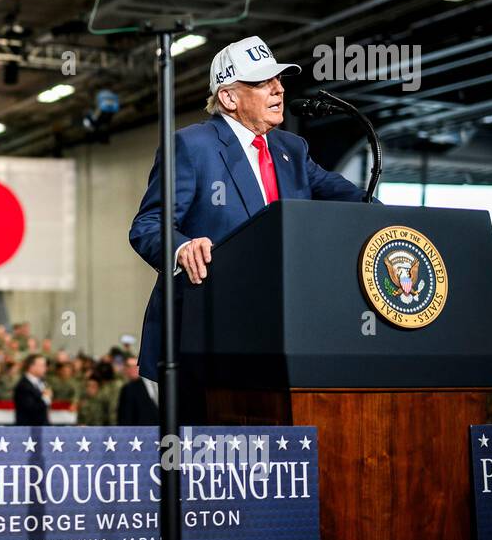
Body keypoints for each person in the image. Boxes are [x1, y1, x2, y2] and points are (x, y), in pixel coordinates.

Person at [129, 35, 368, 400]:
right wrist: (181, 249)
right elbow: (147, 225)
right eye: (262, 82)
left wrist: (388, 218)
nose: (278, 89)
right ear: (228, 97)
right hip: (202, 338)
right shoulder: (192, 146)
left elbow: (353, 198)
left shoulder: (293, 148)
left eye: (279, 80)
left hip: (277, 334)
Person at [116, 356, 158, 426]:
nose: (133, 369)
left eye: (136, 366)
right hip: (138, 432)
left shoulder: (156, 382)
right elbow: (125, 417)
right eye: (129, 366)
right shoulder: (128, 388)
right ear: (125, 369)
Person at [13, 354, 52, 426]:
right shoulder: (23, 386)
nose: (45, 368)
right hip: (29, 431)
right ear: (31, 366)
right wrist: (46, 398)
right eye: (42, 365)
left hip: (41, 429)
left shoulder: (42, 382)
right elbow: (31, 409)